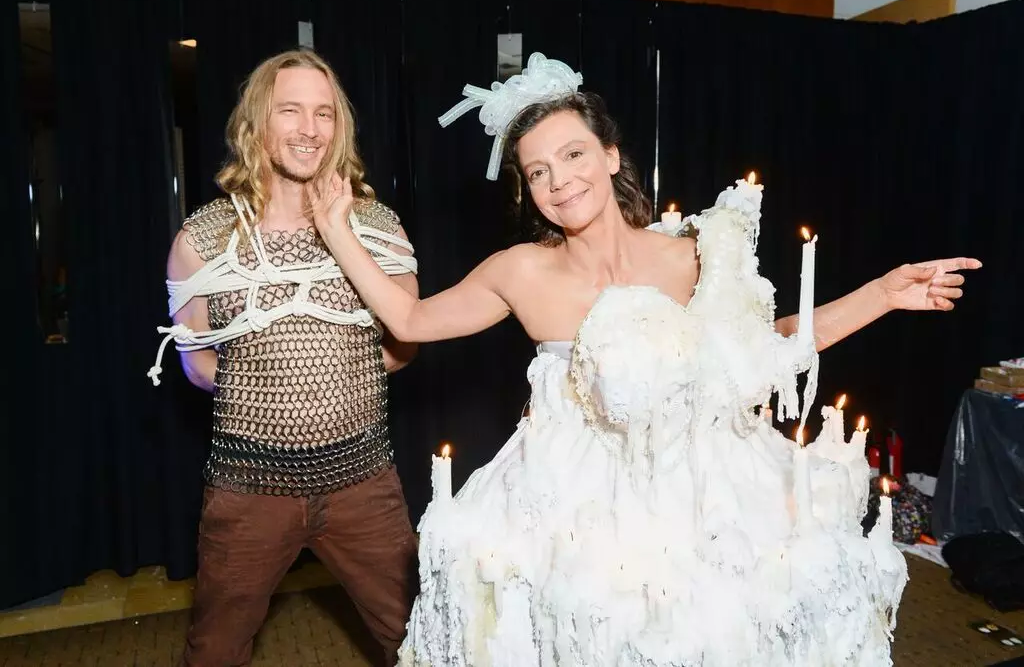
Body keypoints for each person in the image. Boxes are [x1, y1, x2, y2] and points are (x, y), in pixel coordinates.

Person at [311, 53, 981, 664]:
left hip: (701, 487)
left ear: (609, 156)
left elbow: (762, 347)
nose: (558, 181)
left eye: (573, 155)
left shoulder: (688, 254)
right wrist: (339, 230)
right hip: (568, 496)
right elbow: (408, 318)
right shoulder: (519, 272)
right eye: (538, 171)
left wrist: (885, 294)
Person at [148, 49, 420, 667]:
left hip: (362, 480)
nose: (310, 129)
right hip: (250, 487)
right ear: (257, 123)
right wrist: (276, 392)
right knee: (216, 651)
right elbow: (196, 364)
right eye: (290, 111)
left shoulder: (377, 227)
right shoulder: (202, 240)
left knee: (420, 636)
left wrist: (335, 376)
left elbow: (407, 340)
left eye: (324, 114)